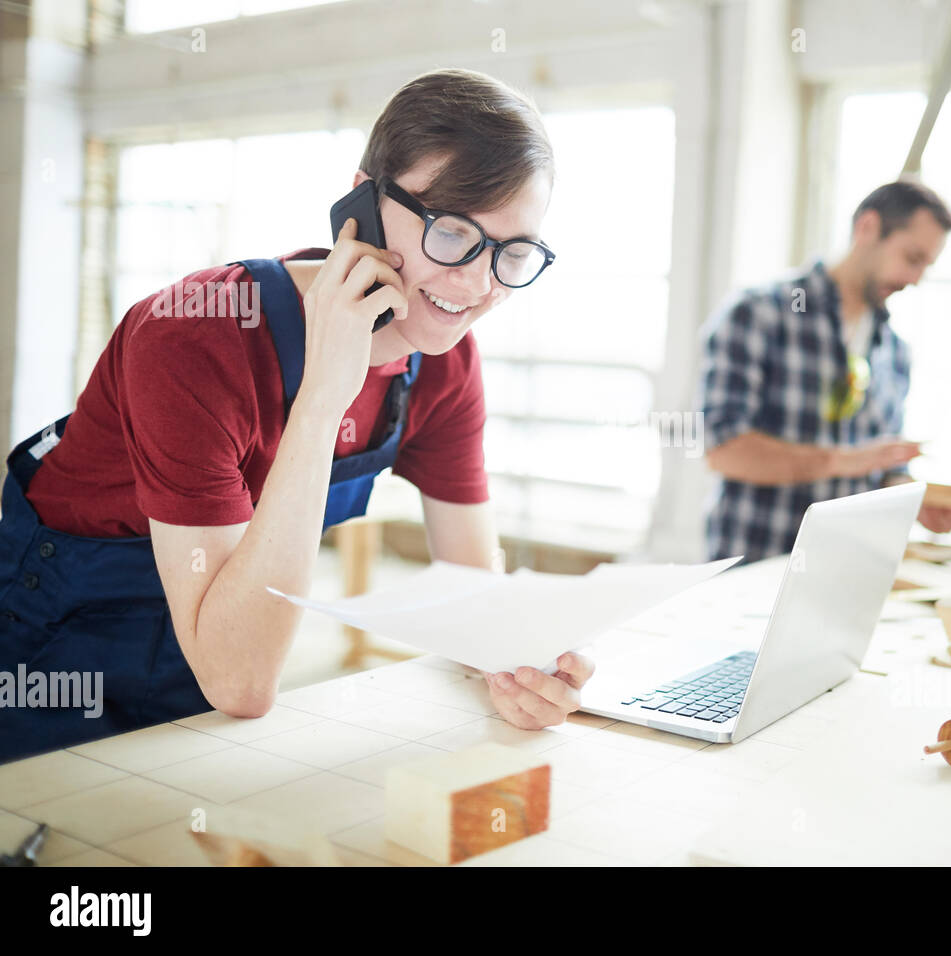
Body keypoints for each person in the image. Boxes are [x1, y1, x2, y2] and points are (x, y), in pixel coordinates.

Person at [0, 69, 594, 763]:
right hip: (53, 657)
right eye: (454, 231)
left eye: (513, 252)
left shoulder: (445, 367)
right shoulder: (192, 335)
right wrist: (323, 397)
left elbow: (471, 593)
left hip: (222, 663)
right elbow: (243, 682)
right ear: (363, 201)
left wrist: (526, 663)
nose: (477, 282)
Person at [699, 180, 951, 563]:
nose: (915, 279)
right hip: (754, 566)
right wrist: (844, 460)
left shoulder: (894, 350)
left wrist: (912, 499)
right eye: (912, 258)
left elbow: (884, 466)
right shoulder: (759, 312)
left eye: (927, 265)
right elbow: (723, 450)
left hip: (846, 572)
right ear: (867, 228)